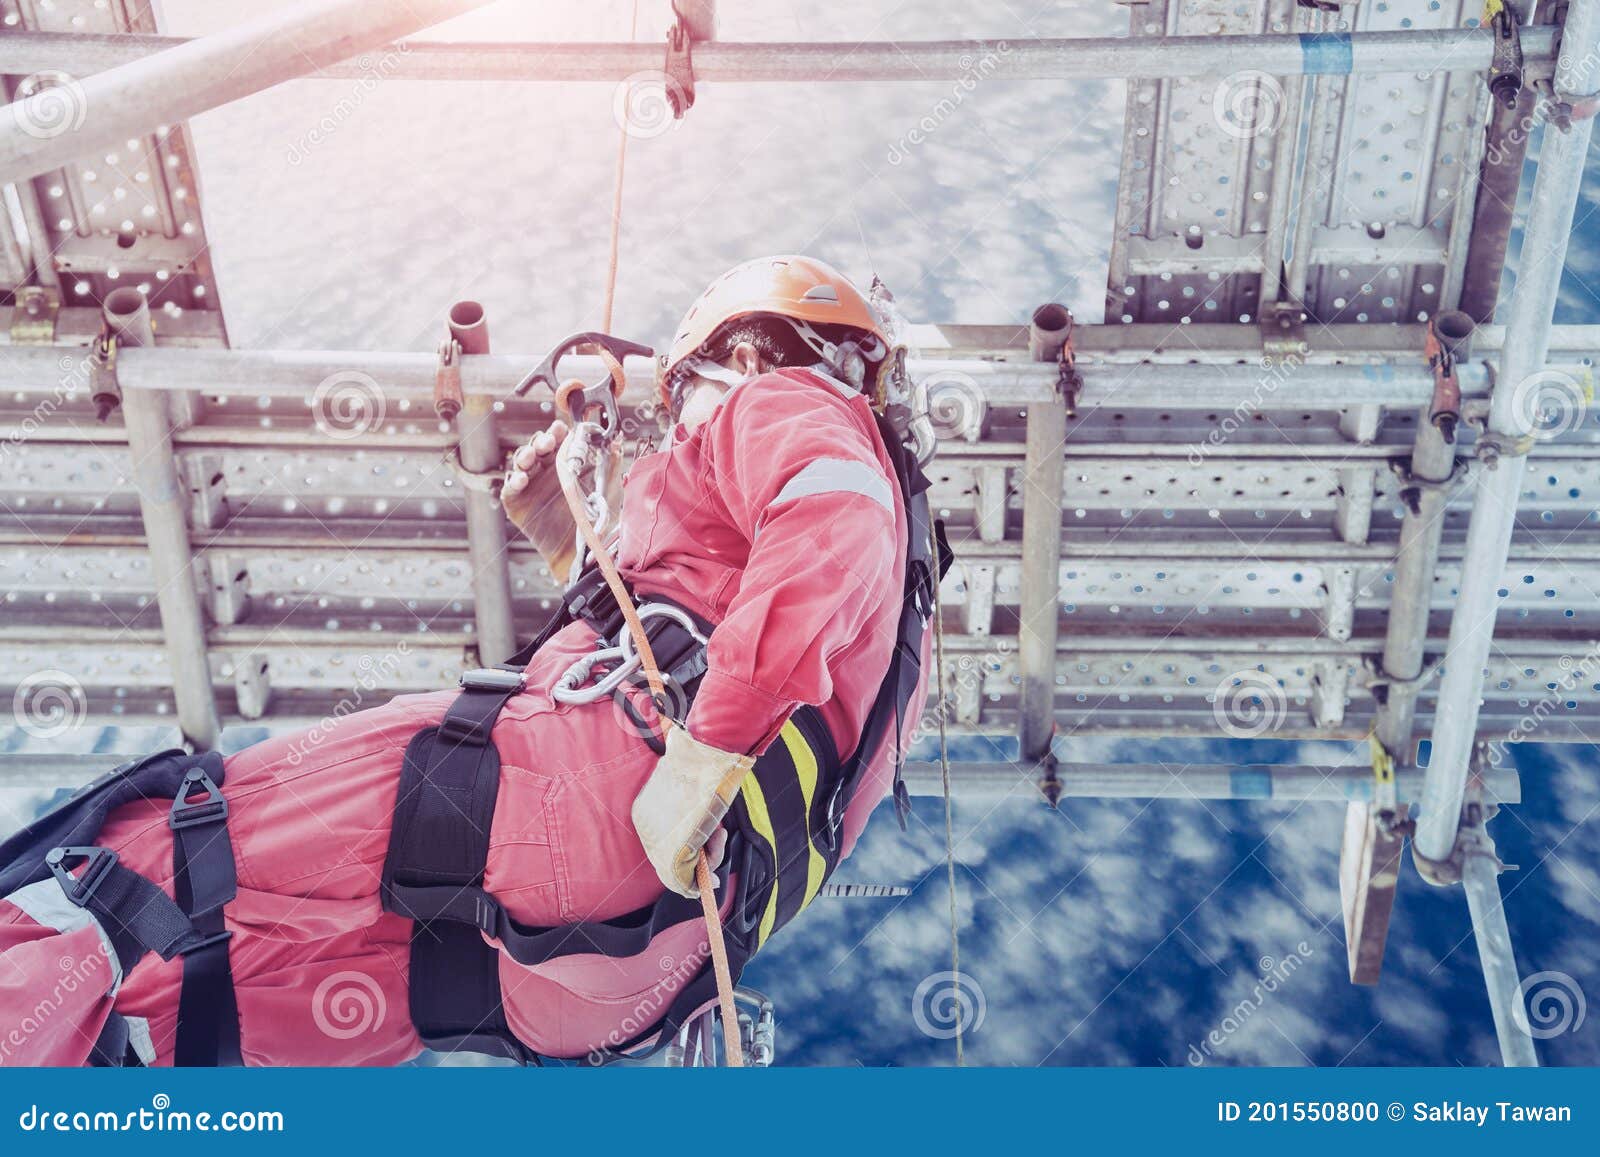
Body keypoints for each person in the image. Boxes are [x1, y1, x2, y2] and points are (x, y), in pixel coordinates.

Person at [0, 255, 940, 1067]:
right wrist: (568, 541)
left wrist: (706, 751)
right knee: (222, 1002)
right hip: (633, 961)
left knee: (137, 871)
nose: (678, 426)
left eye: (685, 393)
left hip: (582, 796)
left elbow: (825, 526)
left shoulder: (791, 401)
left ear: (742, 350)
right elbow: (700, 619)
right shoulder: (901, 629)